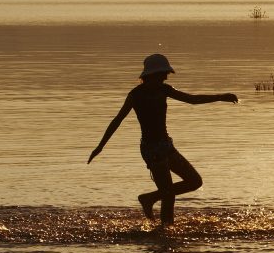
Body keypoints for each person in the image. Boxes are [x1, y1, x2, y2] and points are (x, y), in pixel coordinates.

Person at [87, 53, 238, 225]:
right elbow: (117, 120)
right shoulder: (136, 95)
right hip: (151, 150)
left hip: (166, 145)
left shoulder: (164, 90)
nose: (166, 76)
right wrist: (100, 147)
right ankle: (166, 229)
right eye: (163, 73)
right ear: (153, 74)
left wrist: (220, 97)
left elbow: (191, 100)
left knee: (194, 181)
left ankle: (150, 199)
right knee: (169, 195)